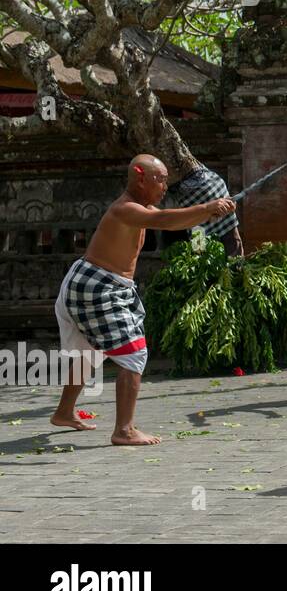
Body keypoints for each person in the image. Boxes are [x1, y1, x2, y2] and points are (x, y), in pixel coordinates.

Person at [50, 155, 235, 445]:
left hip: (99, 283)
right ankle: (124, 431)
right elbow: (163, 221)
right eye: (159, 179)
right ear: (139, 177)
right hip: (97, 286)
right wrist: (208, 208)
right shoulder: (126, 209)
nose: (164, 186)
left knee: (91, 350)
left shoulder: (143, 208)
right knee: (133, 351)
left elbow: (176, 221)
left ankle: (64, 412)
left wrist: (207, 214)